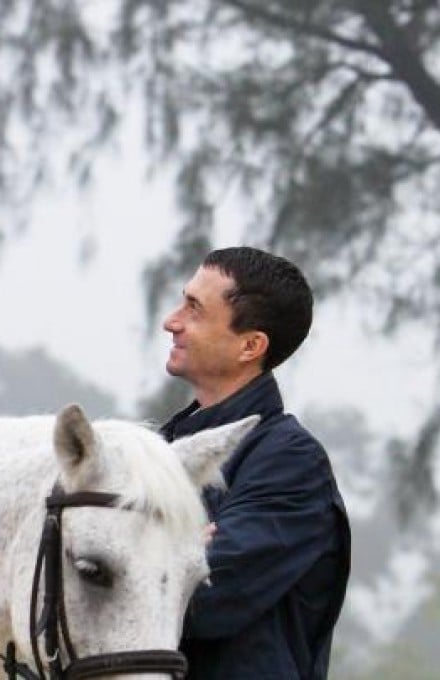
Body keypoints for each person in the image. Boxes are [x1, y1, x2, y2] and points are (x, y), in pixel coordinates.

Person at [158, 247, 350, 679]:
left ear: (250, 345)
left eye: (194, 309)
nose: (171, 322)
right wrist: (184, 548)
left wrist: (140, 556)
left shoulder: (290, 463)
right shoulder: (154, 451)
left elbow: (204, 602)